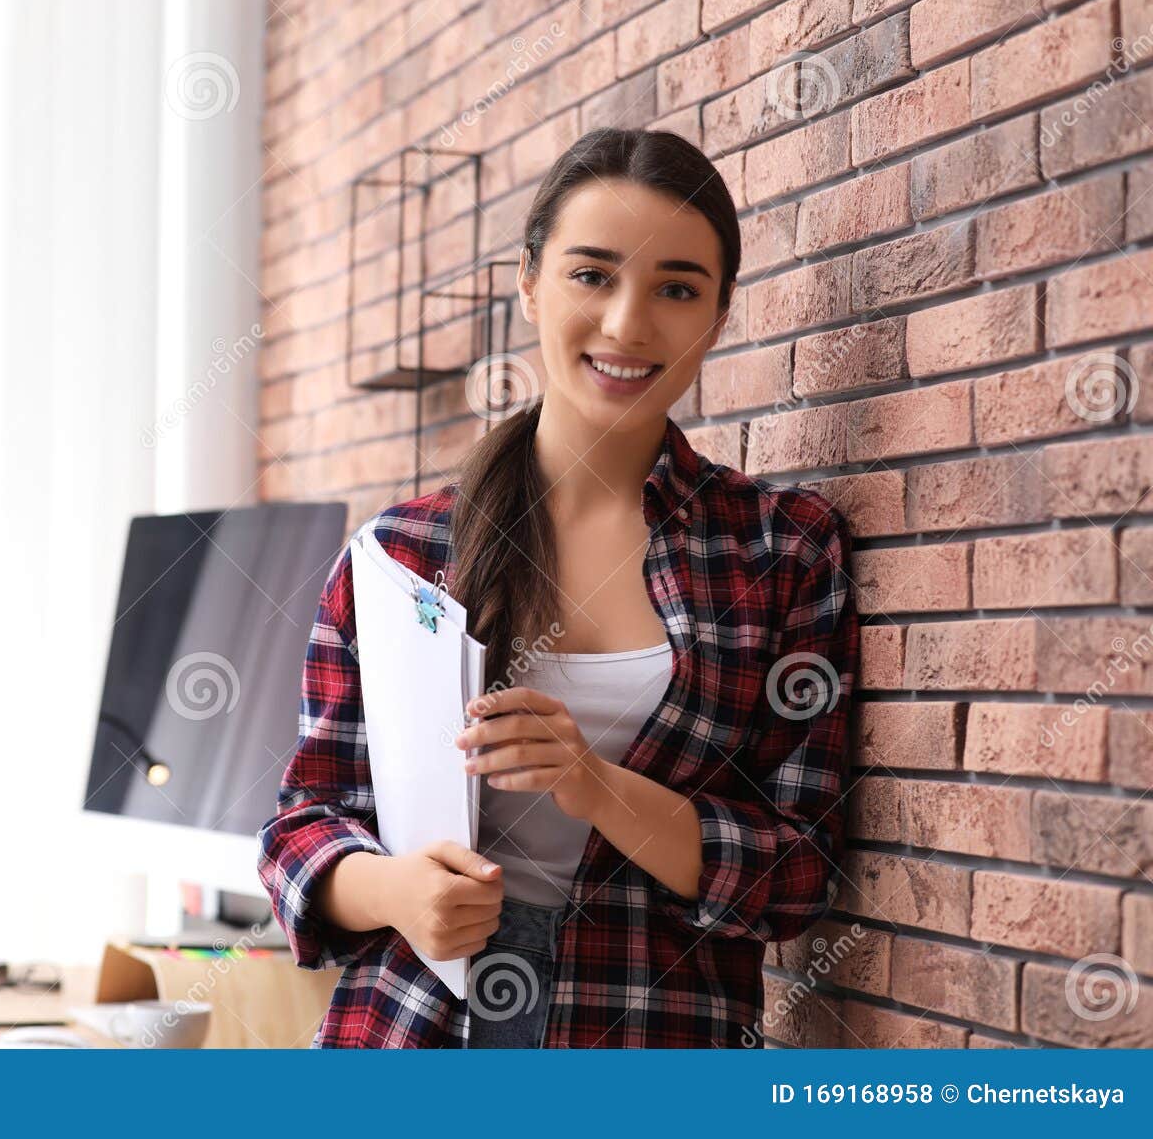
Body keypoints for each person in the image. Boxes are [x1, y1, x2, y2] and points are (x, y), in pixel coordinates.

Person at [256, 127, 860, 1048]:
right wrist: (400, 892)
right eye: (592, 275)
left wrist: (595, 784)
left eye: (676, 289)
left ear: (719, 314)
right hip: (412, 1030)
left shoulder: (781, 549)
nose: (627, 324)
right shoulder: (401, 555)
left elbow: (801, 871)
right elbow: (302, 827)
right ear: (530, 283)